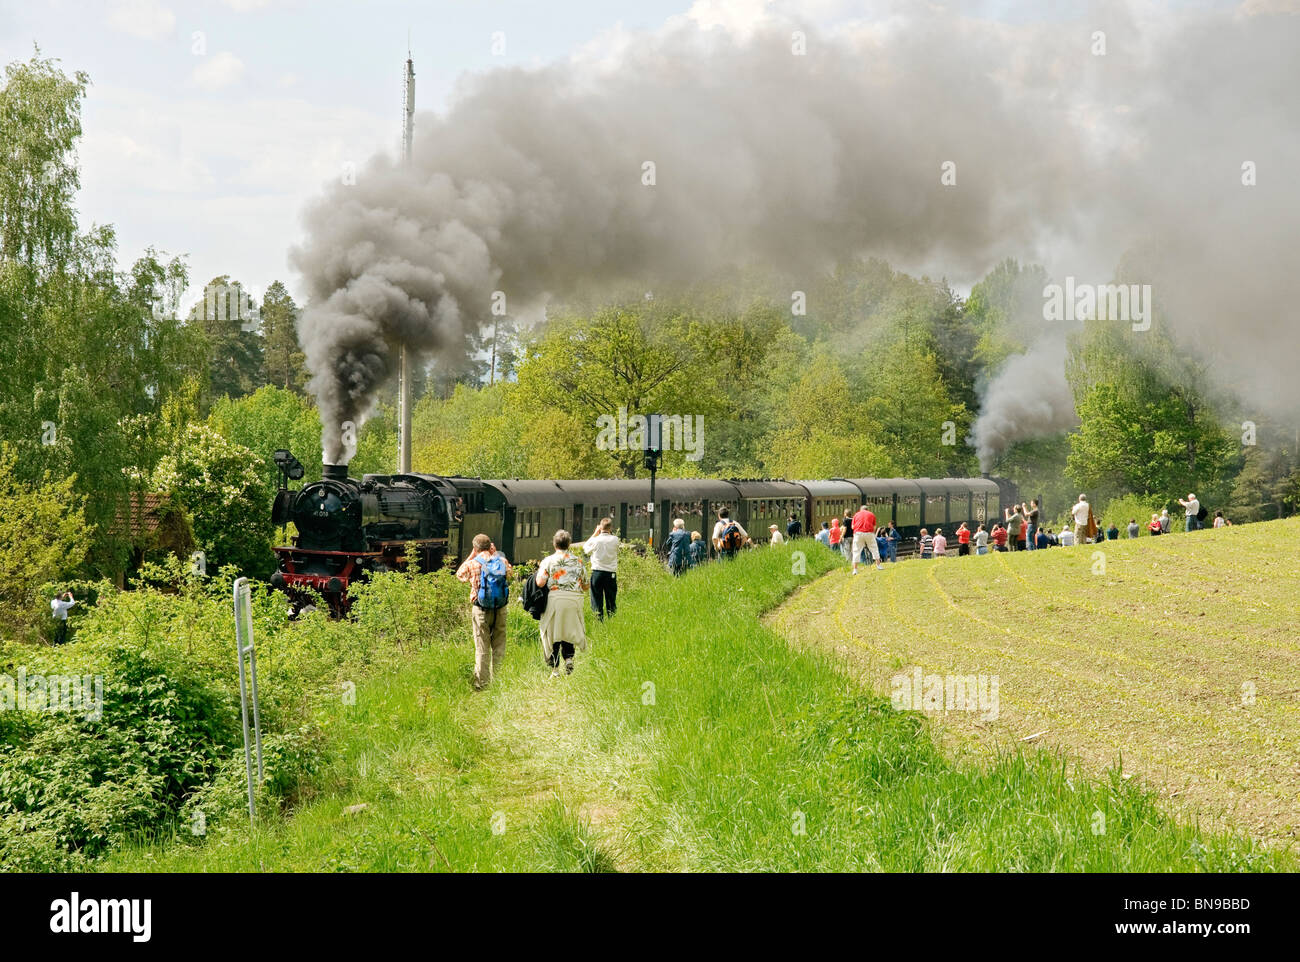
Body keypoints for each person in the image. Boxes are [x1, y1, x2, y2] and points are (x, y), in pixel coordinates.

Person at [455, 535, 513, 691]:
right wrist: (495, 555)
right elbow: (510, 574)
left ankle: (482, 684)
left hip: (480, 610)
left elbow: (459, 575)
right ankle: (498, 681)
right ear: (490, 546)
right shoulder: (501, 561)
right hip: (500, 609)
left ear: (475, 548)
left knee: (482, 648)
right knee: (499, 646)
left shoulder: (472, 564)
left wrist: (472, 555)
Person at [535, 530, 589, 678]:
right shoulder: (578, 561)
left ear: (554, 544)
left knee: (552, 633)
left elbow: (540, 583)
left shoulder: (548, 561)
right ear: (569, 544)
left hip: (555, 600)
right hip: (574, 601)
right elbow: (586, 585)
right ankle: (569, 658)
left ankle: (555, 670)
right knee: (568, 630)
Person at [583, 518, 620, 618]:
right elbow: (617, 549)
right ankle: (612, 619)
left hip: (597, 573)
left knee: (596, 599)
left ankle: (599, 620)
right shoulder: (615, 539)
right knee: (611, 599)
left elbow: (585, 548)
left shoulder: (596, 540)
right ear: (611, 528)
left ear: (600, 527)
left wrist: (595, 533)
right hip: (610, 574)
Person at [850, 504, 882, 574]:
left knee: (856, 550)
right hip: (869, 533)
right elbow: (874, 527)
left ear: (861, 510)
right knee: (874, 548)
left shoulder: (856, 515)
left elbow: (852, 527)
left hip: (858, 533)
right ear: (867, 509)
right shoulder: (871, 514)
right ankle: (878, 565)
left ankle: (855, 569)